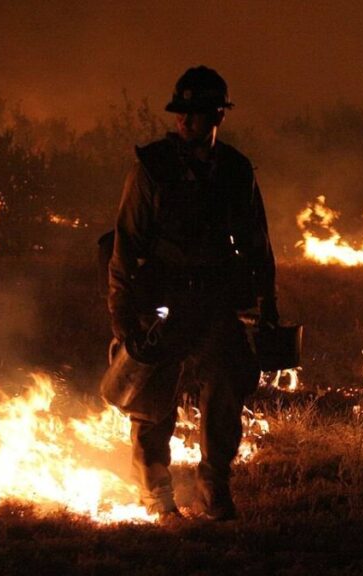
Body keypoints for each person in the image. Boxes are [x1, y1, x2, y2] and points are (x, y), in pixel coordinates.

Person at [106, 65, 277, 520]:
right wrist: (123, 319)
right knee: (151, 403)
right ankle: (157, 495)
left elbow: (258, 244)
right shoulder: (152, 169)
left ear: (217, 114)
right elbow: (125, 247)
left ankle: (213, 484)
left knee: (227, 388)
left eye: (196, 113)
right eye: (181, 112)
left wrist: (268, 305)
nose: (184, 121)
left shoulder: (236, 171)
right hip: (162, 301)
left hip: (215, 299)